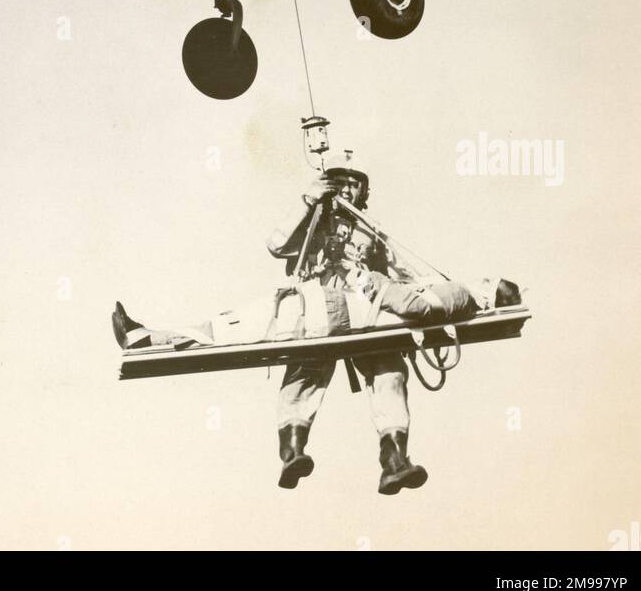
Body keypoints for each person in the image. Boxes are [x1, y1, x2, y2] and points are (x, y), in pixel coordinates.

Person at [112, 154, 521, 496]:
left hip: (364, 312)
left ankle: (395, 459)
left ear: (364, 190)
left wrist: (467, 300)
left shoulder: (373, 233)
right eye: (339, 182)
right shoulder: (312, 218)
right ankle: (290, 451)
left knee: (390, 373)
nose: (347, 191)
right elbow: (277, 245)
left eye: (354, 184)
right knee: (286, 362)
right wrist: (307, 204)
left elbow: (405, 281)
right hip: (314, 309)